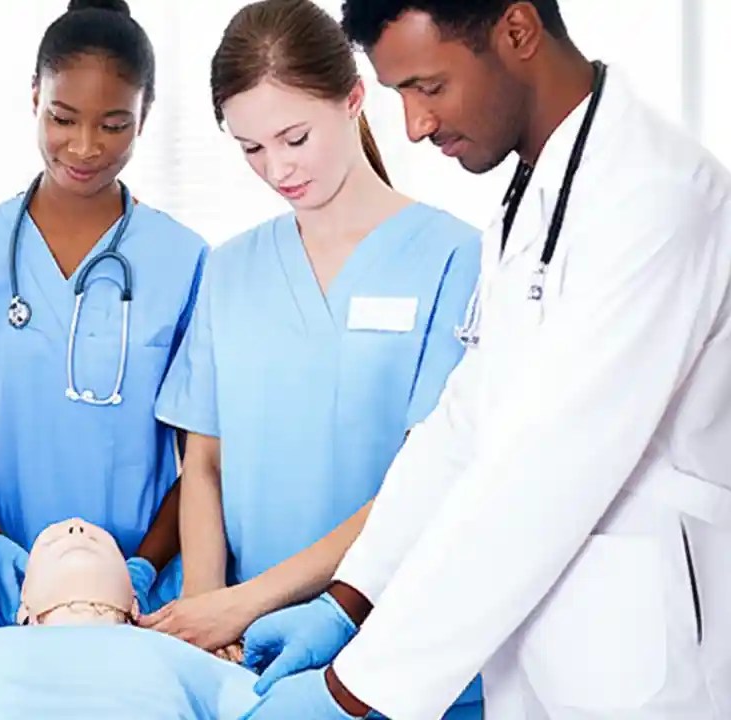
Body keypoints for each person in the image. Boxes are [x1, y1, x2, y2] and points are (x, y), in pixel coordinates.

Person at [238, 1, 731, 718]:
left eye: (428, 86)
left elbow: (549, 464)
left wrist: (350, 691)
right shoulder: (536, 190)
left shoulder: (655, 194)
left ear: (518, 32)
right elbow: (469, 419)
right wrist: (351, 599)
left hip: (645, 653)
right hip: (543, 637)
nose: (413, 125)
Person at [141, 1, 481, 712]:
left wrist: (248, 602)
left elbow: (434, 475)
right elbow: (204, 462)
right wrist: (209, 617)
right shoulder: (230, 269)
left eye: (294, 137)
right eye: (251, 148)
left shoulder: (452, 258)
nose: (277, 168)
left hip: (397, 639)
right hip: (246, 654)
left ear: (354, 99)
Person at [0, 0, 207, 630]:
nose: (84, 146)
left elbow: (206, 461)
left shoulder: (187, 265)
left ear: (145, 116)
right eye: (62, 117)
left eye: (113, 124)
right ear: (33, 98)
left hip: (139, 601)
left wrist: (144, 569)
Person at [0, 518, 260, 719]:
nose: (75, 527)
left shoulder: (183, 657)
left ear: (135, 603)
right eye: (52, 540)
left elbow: (278, 707)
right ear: (22, 609)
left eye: (100, 540)